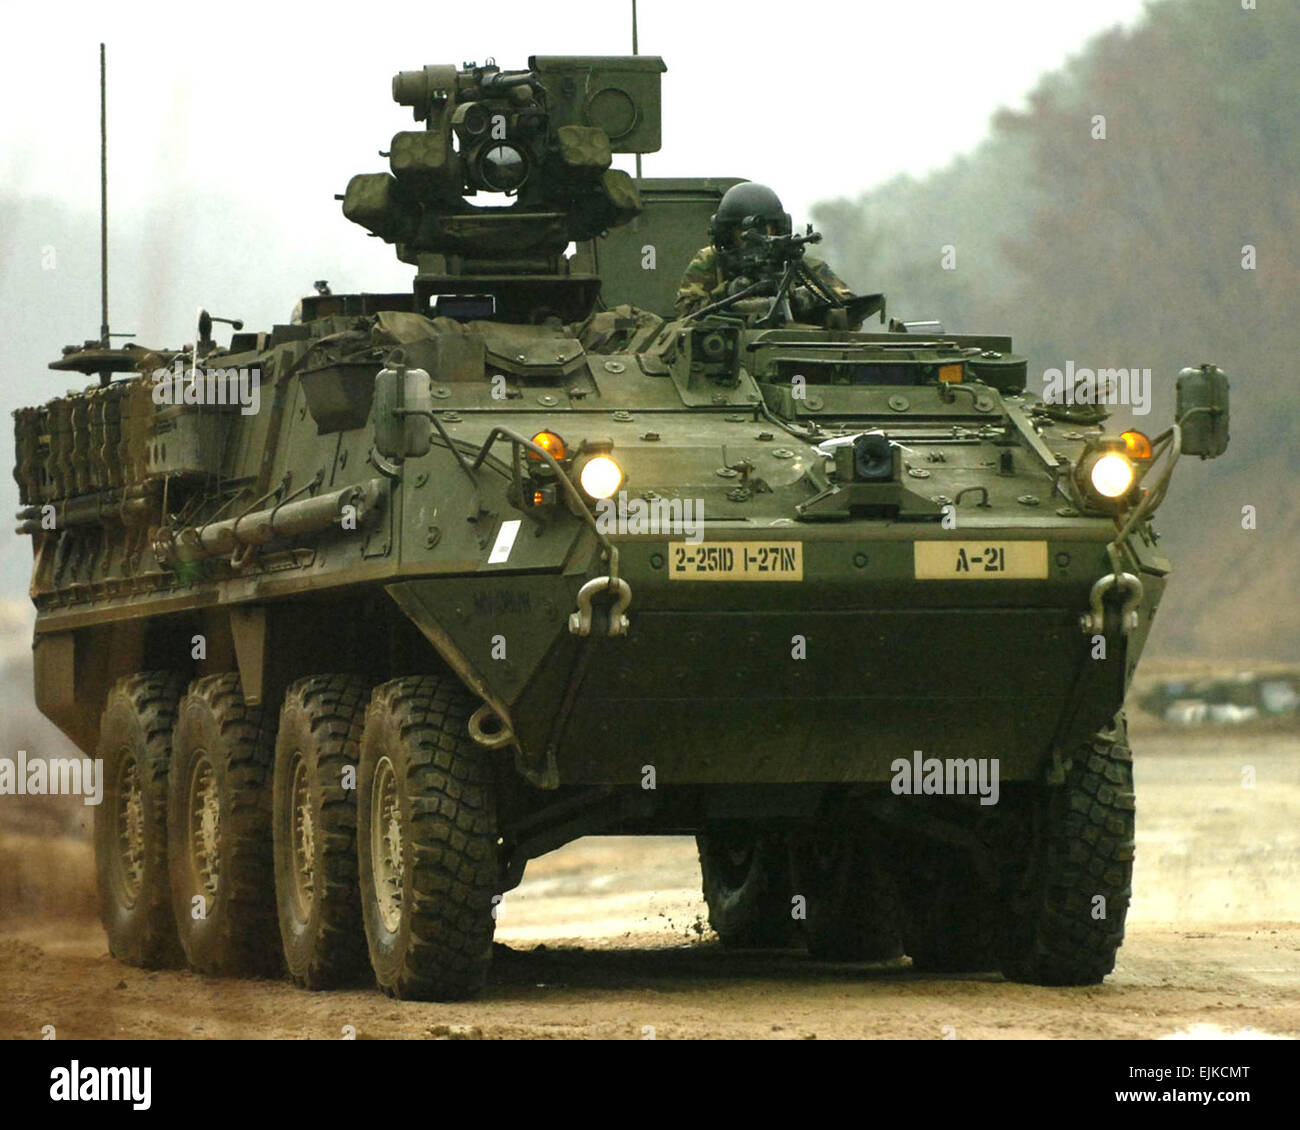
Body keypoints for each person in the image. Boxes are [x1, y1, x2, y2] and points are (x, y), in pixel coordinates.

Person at [673, 182, 853, 318]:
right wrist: (728, 292)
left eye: (766, 227)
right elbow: (685, 313)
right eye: (744, 231)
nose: (759, 236)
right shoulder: (710, 261)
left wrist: (807, 297)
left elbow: (851, 304)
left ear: (777, 228)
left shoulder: (796, 262)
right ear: (727, 233)